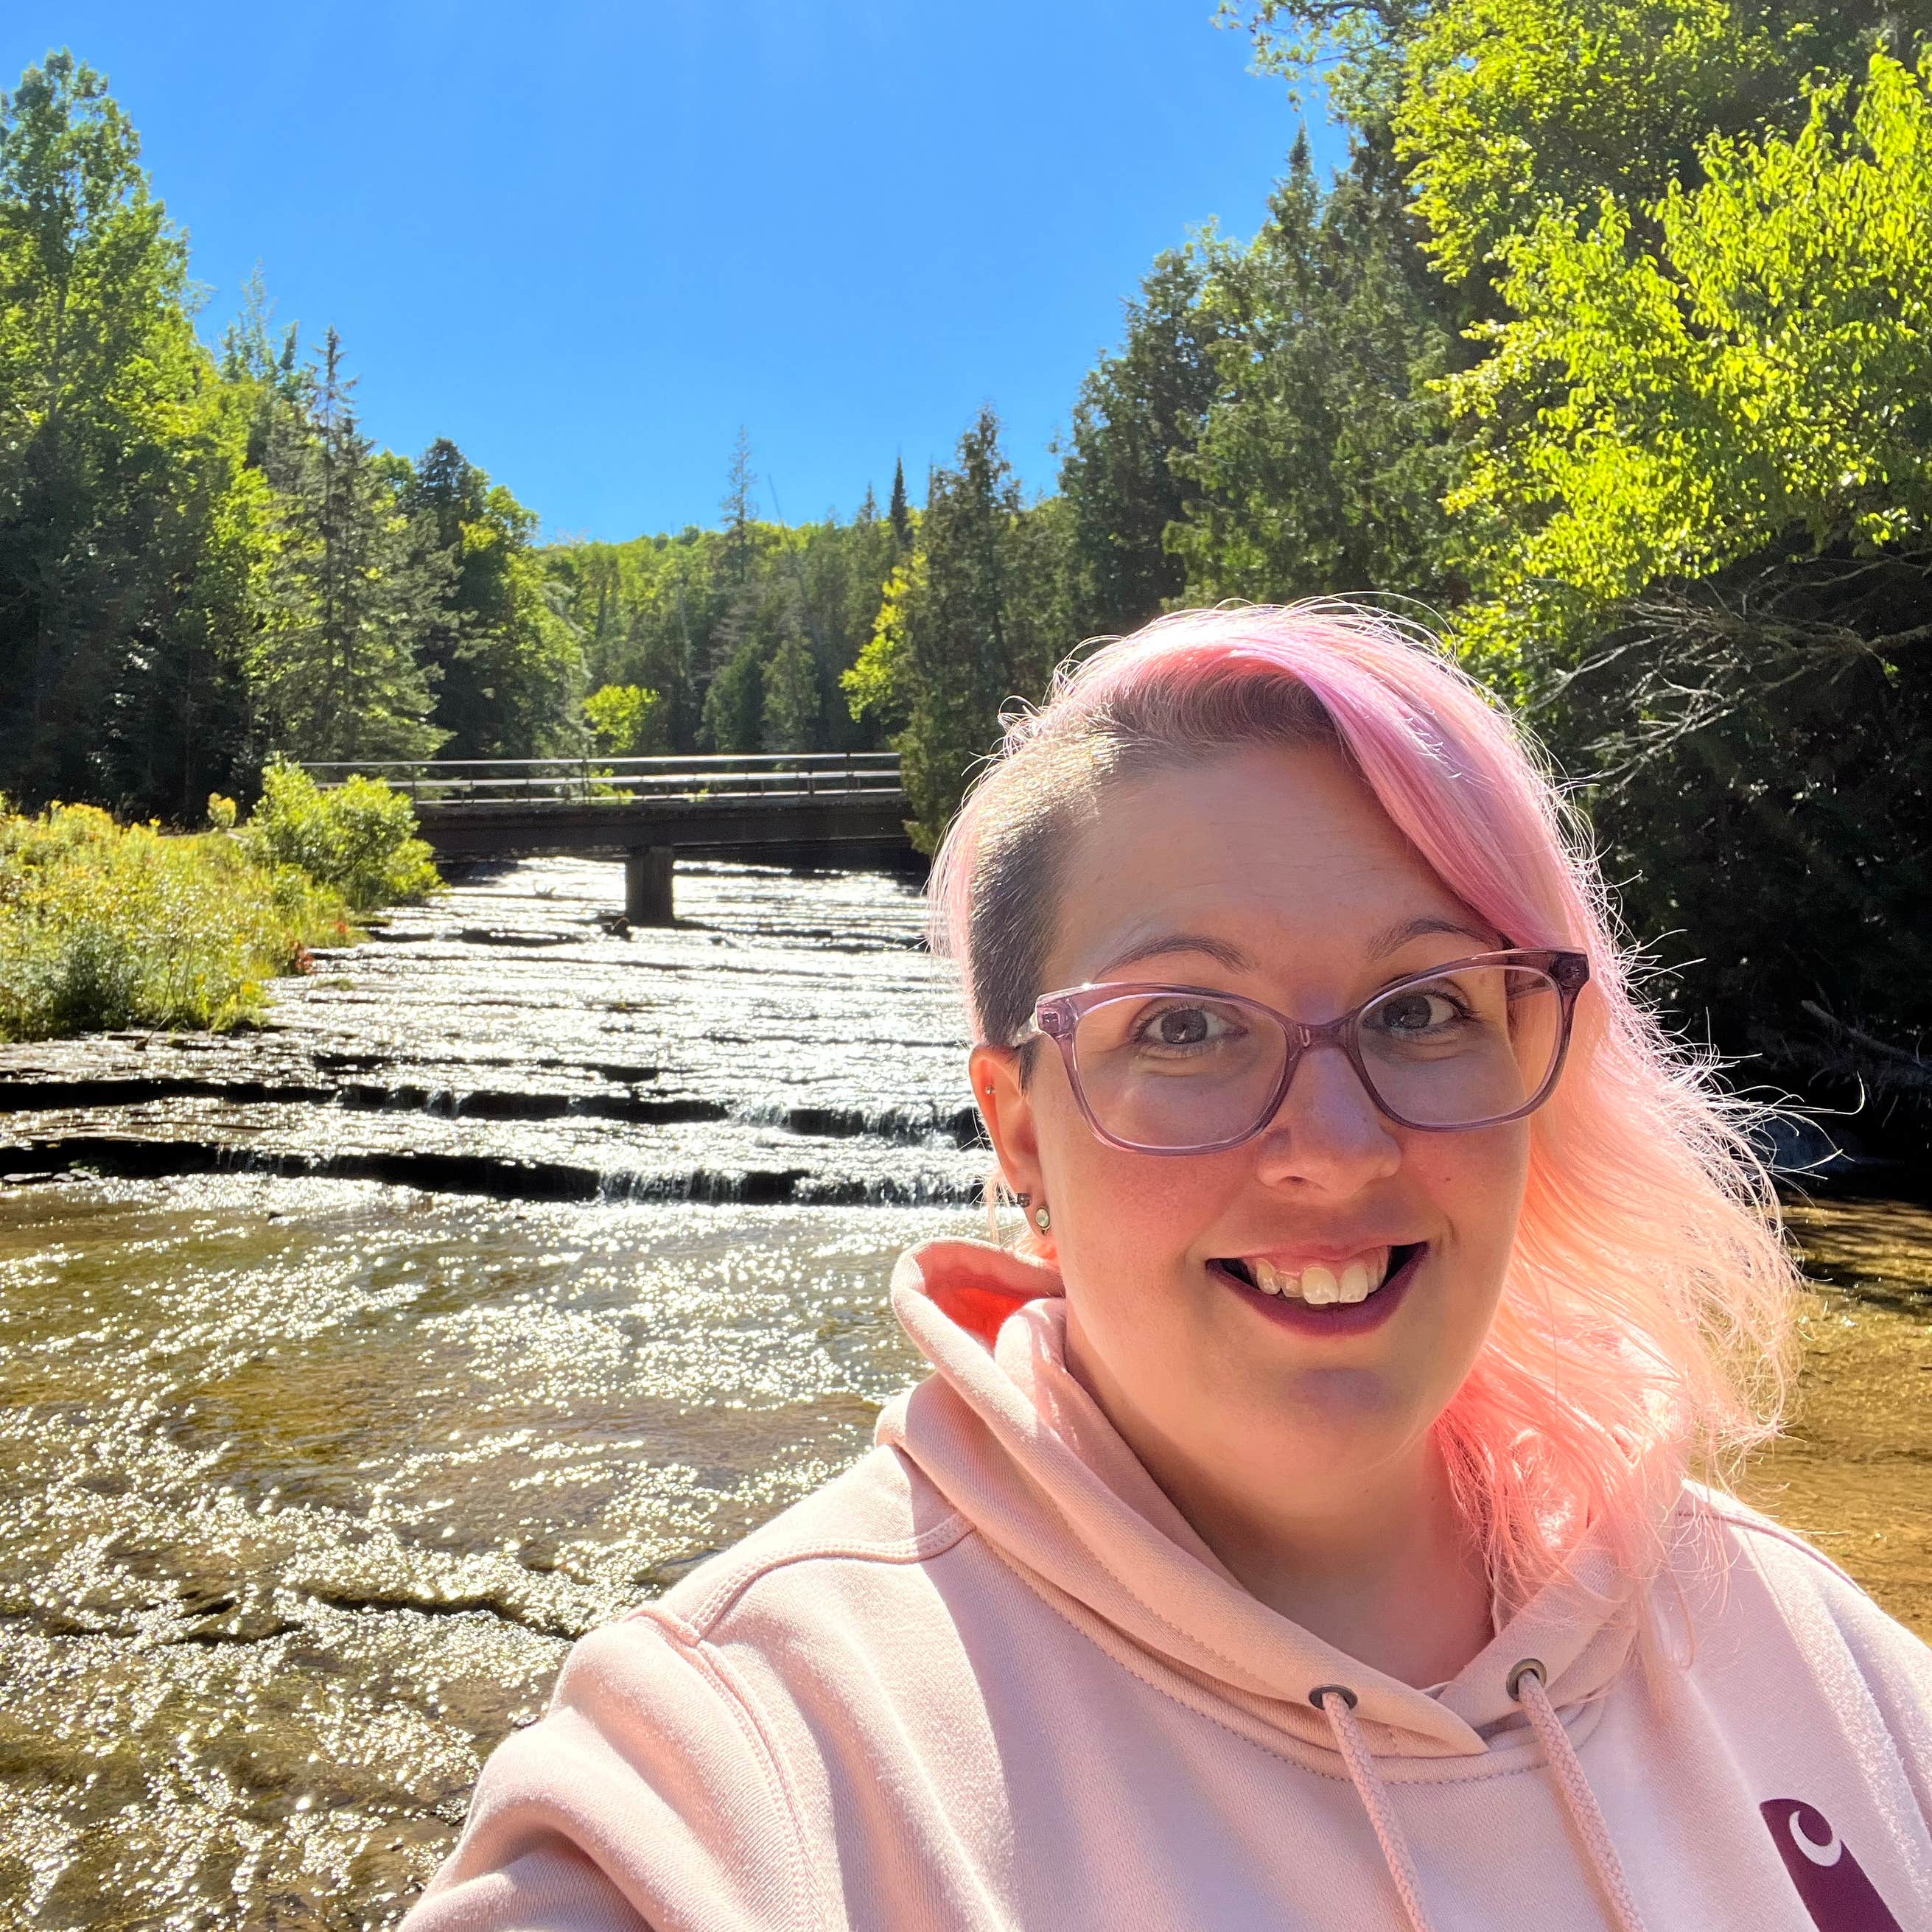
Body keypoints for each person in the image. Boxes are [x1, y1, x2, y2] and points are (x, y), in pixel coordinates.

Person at [402, 604, 1931, 1932]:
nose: (1334, 1149)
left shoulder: (1810, 1650)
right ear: (1020, 1128)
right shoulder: (748, 1755)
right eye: (1184, 1027)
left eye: (1424, 1007)